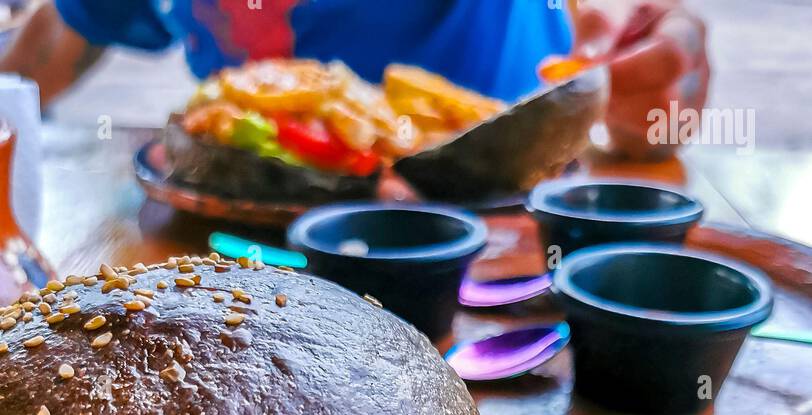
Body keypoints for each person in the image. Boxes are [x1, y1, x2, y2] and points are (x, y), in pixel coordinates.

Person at [0, 1, 709, 158]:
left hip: (491, 271)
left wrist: (645, 98)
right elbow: (66, 32)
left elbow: (610, 25)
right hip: (249, 273)